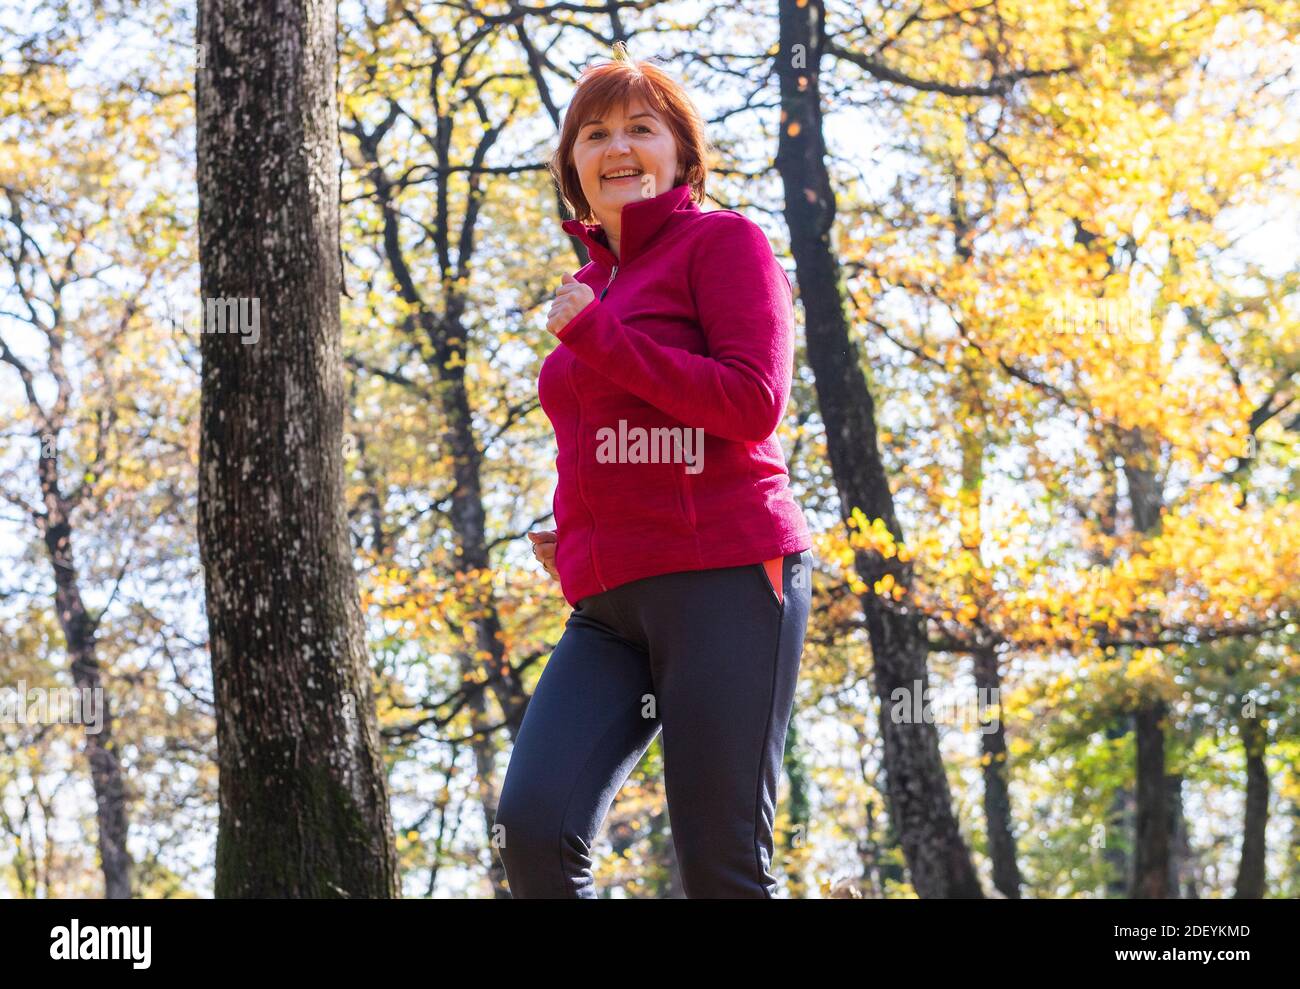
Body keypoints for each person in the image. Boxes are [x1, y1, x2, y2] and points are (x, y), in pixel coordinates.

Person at [493, 49, 814, 898]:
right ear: (573, 168)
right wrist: (577, 527)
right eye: (594, 134)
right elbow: (610, 435)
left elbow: (751, 402)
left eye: (642, 127)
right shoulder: (592, 284)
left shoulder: (725, 243)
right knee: (533, 826)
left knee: (723, 867)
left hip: (726, 577)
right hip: (608, 601)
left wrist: (600, 336)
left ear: (682, 152)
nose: (618, 147)